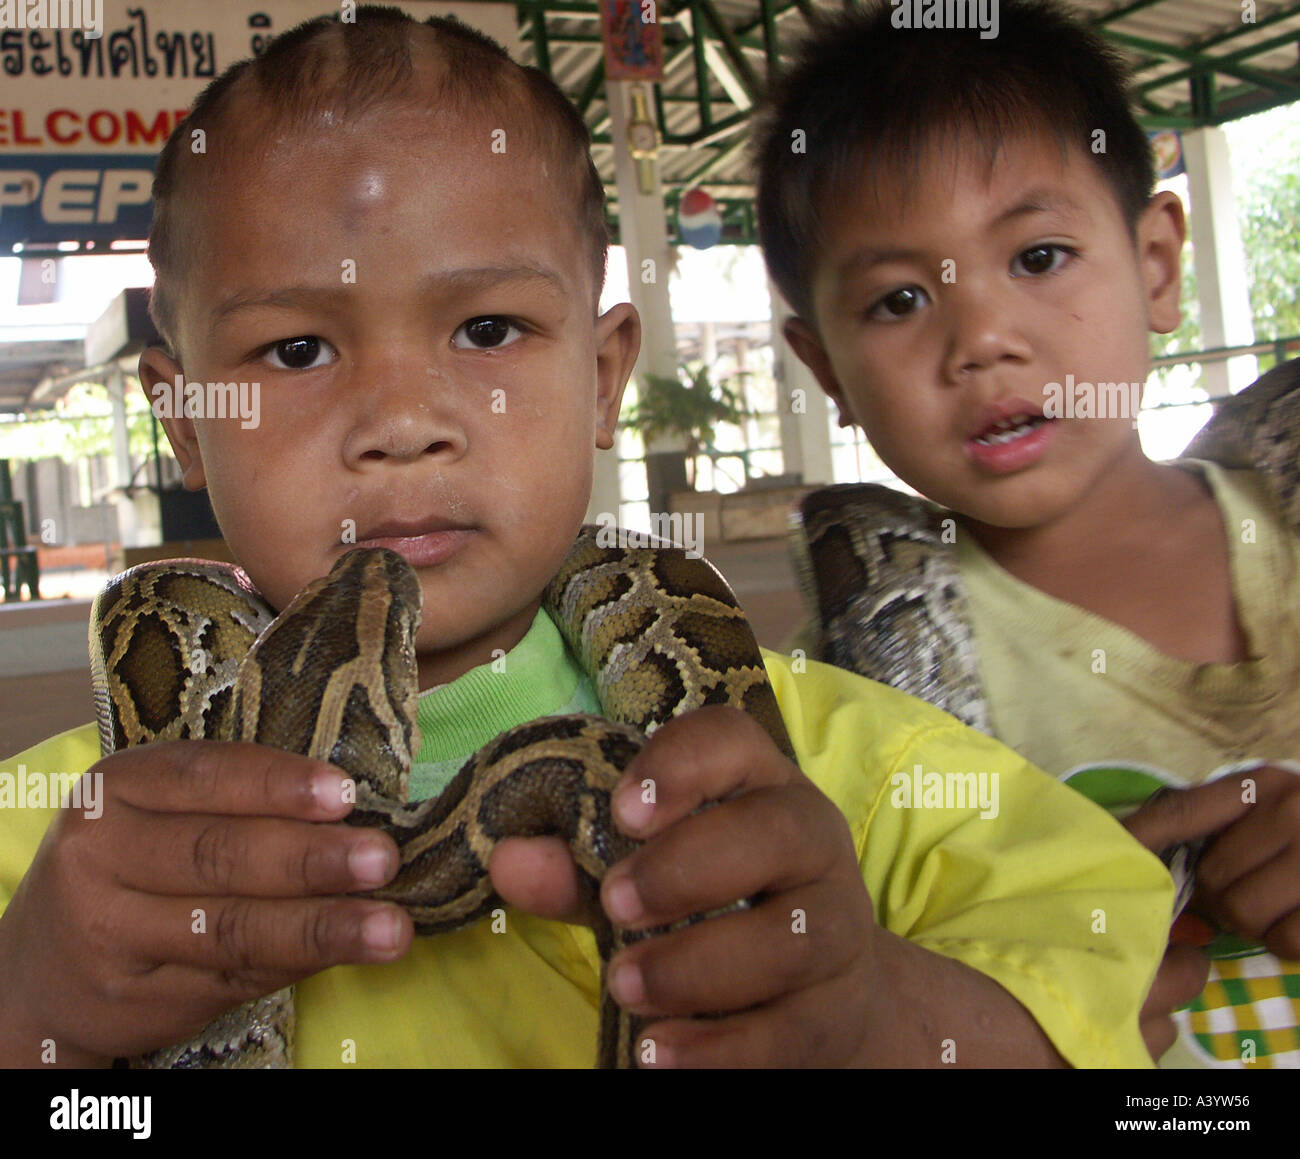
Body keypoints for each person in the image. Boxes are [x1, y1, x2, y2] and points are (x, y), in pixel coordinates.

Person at [0, 7, 1174, 1068]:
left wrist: (869, 1012)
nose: (403, 424)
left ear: (605, 376)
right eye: (298, 351)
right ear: (186, 420)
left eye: (490, 328)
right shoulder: (71, 841)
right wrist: (29, 1003)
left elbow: (1102, 965)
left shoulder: (829, 761)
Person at [755, 0, 1300, 1067]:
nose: (981, 339)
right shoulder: (840, 718)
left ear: (1154, 267)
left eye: (1039, 257)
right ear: (826, 372)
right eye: (900, 299)